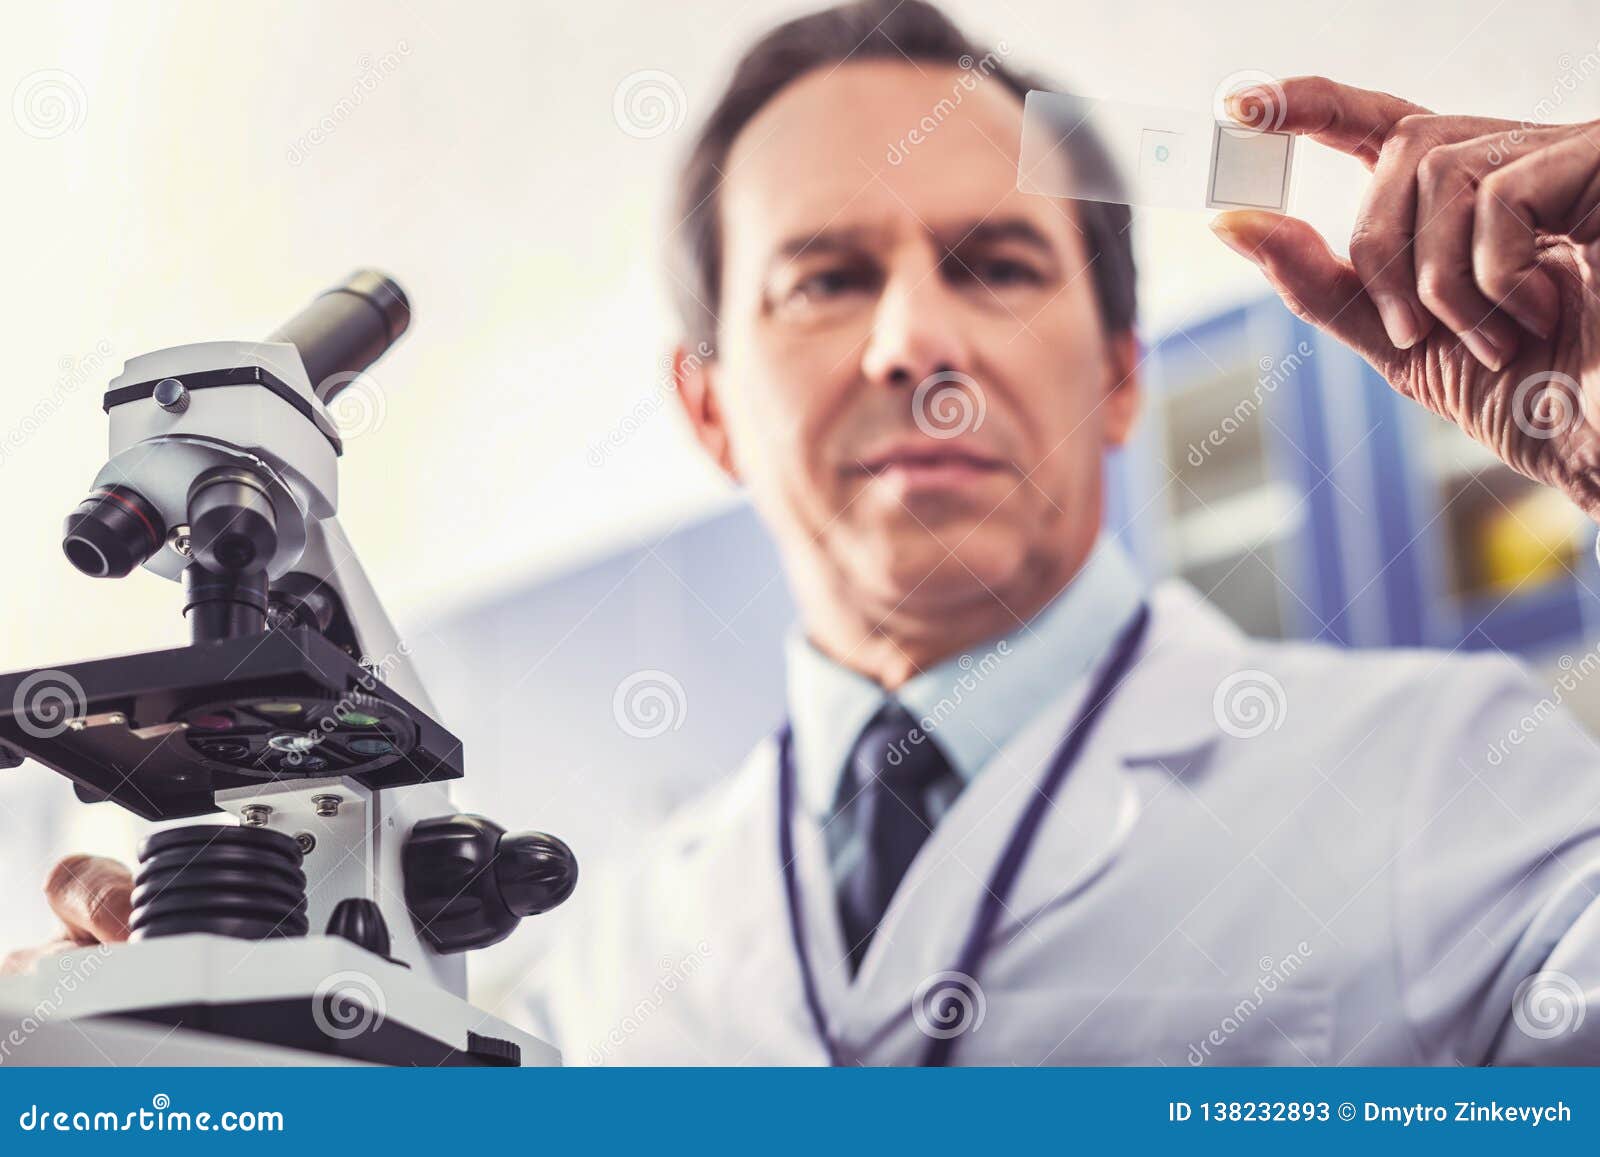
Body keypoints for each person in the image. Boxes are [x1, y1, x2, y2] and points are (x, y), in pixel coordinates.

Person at [9, 0, 1600, 1066]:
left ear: (1120, 373)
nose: (917, 341)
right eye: (827, 278)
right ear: (712, 410)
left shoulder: (1470, 783)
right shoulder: (602, 959)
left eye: (994, 262)